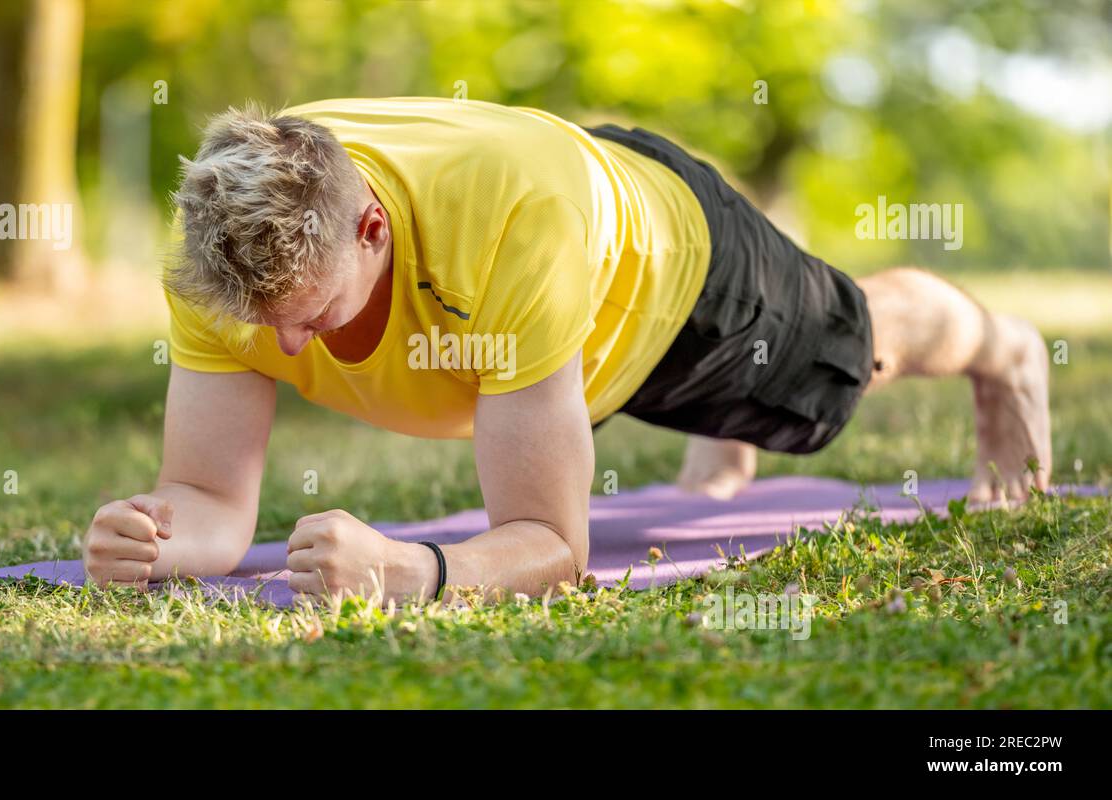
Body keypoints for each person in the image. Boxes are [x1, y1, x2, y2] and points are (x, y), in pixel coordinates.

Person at [82, 97, 1051, 602]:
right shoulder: (225, 266)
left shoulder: (507, 230)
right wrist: (151, 534)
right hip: (543, 267)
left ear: (372, 229)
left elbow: (552, 547)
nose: (287, 348)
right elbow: (210, 500)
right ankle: (720, 446)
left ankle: (1002, 351)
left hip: (678, 271)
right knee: (562, 387)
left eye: (312, 311)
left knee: (850, 353)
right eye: (263, 325)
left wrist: (409, 568)